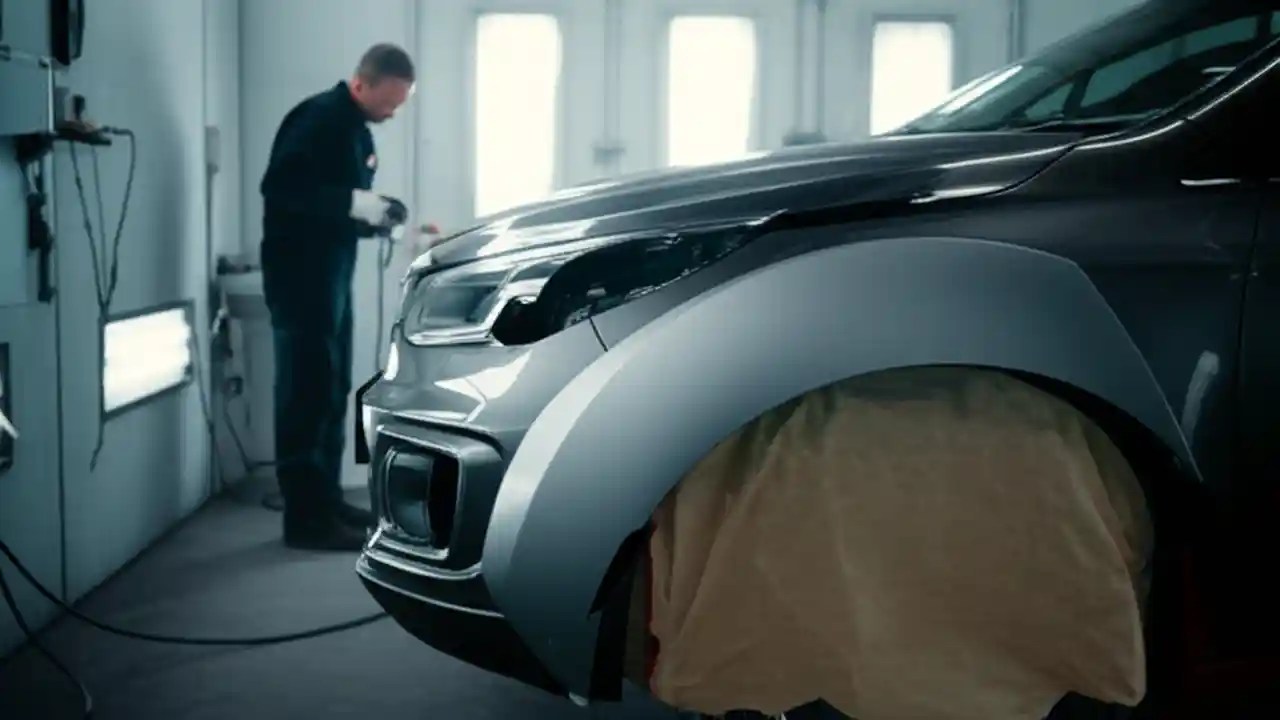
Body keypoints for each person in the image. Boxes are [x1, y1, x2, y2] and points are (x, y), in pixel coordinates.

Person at [259, 44, 415, 550]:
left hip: (330, 275)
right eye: (389, 102)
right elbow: (282, 191)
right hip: (300, 278)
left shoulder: (354, 129)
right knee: (305, 392)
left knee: (330, 387)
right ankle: (304, 519)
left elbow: (332, 204)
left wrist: (374, 216)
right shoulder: (318, 119)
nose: (393, 112)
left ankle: (325, 501)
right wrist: (355, 202)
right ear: (362, 84)